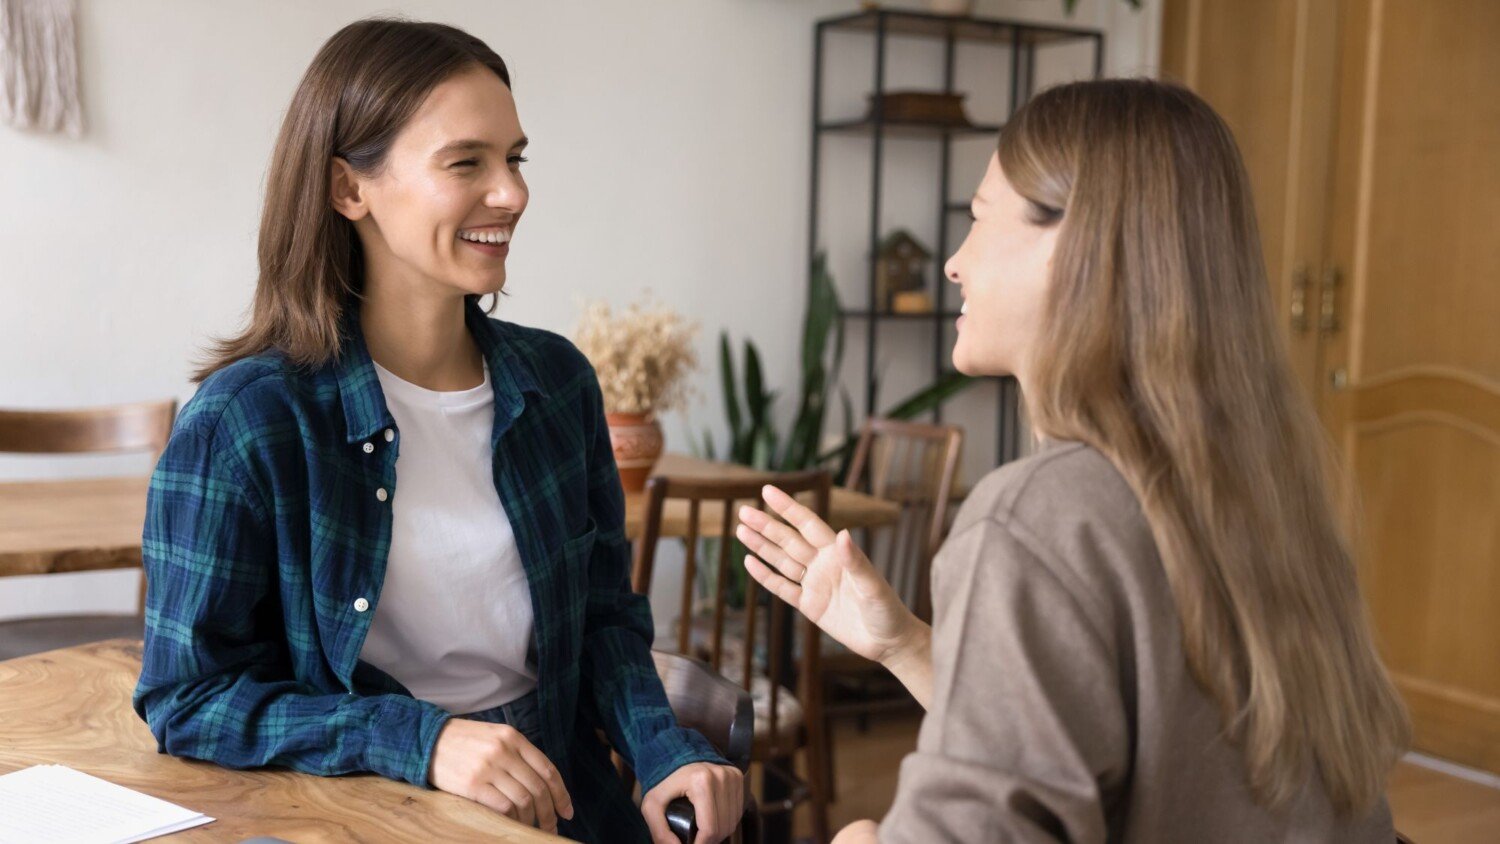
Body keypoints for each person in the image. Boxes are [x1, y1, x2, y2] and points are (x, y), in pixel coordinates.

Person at [737, 79, 1409, 843]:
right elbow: (1153, 766)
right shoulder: (1265, 496)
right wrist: (908, 646)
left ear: (1078, 242)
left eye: (979, 220)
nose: (953, 263)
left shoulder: (1043, 514)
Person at [132, 19, 741, 844]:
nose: (513, 193)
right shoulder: (247, 421)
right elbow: (190, 700)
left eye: (515, 158)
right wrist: (423, 741)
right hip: (364, 812)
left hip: (563, 803)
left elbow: (604, 621)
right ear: (351, 190)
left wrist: (665, 751)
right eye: (467, 163)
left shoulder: (557, 383)